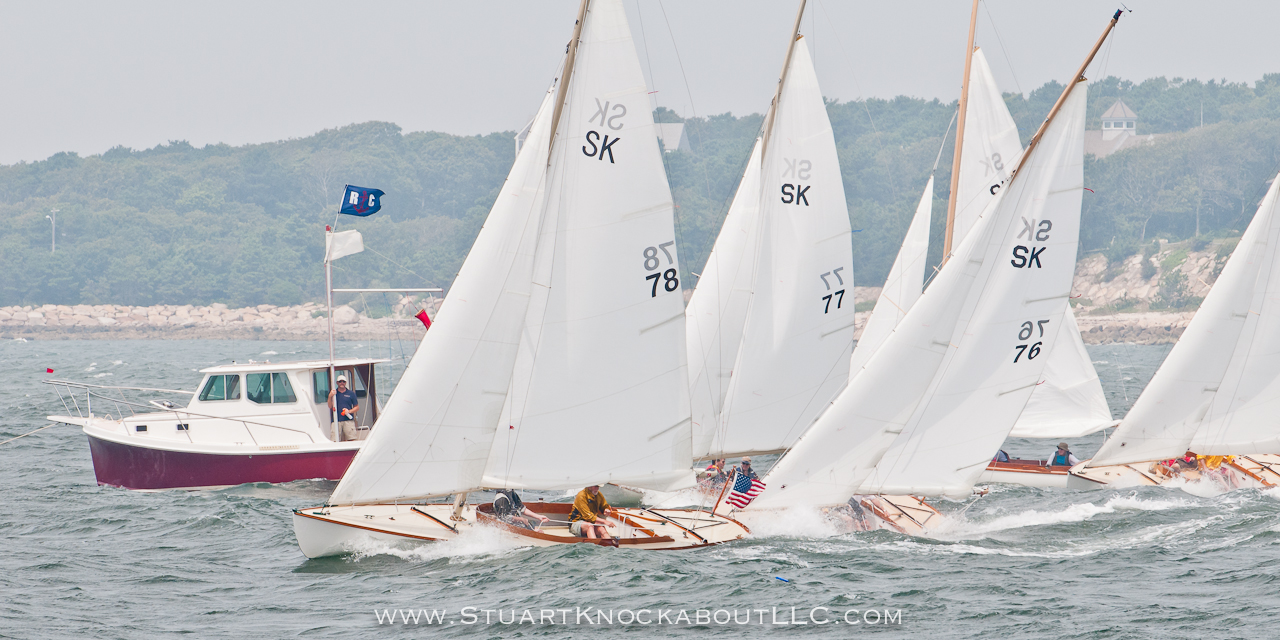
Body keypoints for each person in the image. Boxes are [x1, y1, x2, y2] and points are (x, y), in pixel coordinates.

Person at [328, 374, 361, 441]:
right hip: (336, 420)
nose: (342, 383)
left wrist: (348, 411)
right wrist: (330, 396)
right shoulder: (334, 394)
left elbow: (357, 407)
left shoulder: (351, 393)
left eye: (343, 381)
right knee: (335, 440)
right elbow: (330, 406)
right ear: (337, 383)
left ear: (345, 383)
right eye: (340, 381)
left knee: (352, 439)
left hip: (348, 420)